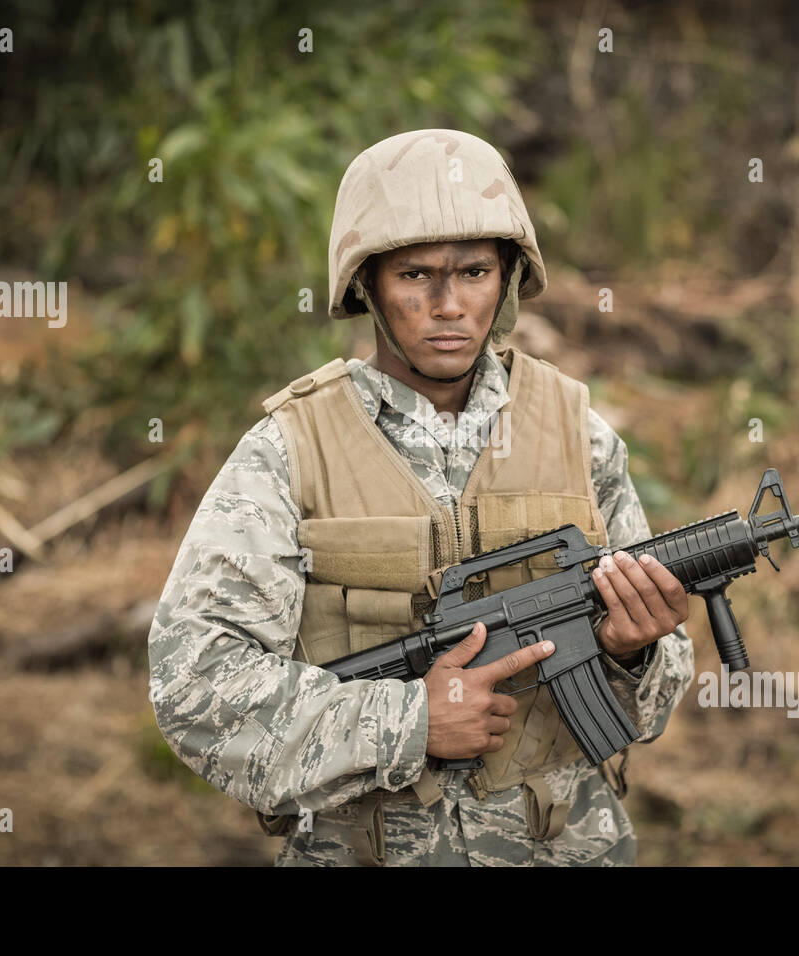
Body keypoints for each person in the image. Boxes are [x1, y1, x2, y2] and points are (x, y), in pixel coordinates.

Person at [149, 129, 695, 866]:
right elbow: (195, 686)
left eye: (474, 272)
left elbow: (652, 705)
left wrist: (634, 651)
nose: (449, 306)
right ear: (365, 284)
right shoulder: (289, 452)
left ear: (507, 278)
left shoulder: (578, 436)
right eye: (415, 277)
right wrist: (409, 723)